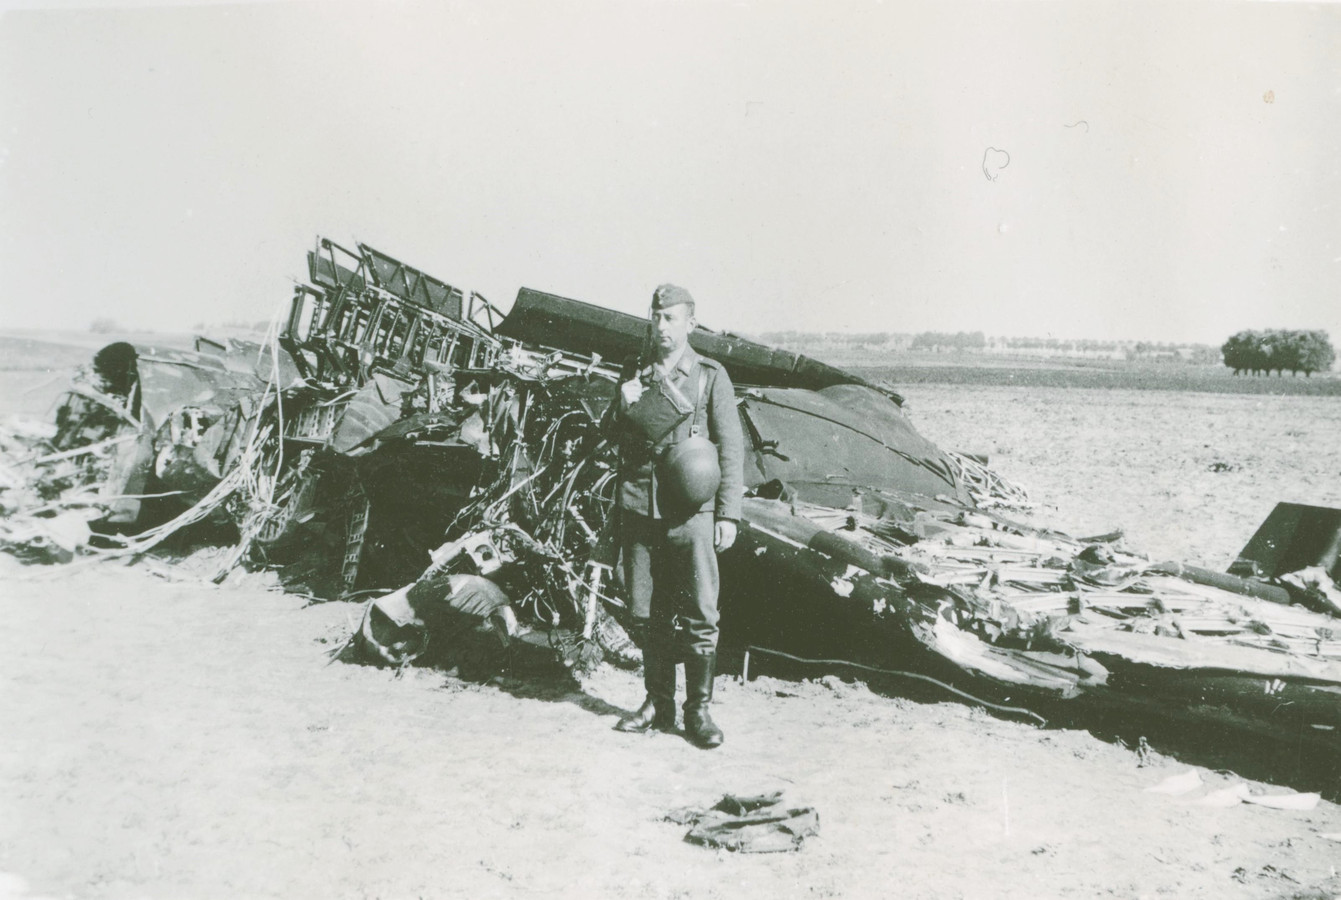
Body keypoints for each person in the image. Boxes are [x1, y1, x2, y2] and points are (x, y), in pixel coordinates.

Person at [607, 283, 743, 748]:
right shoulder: (633, 371)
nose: (661, 326)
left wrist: (728, 514)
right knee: (648, 613)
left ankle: (698, 711)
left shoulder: (709, 376)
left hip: (691, 513)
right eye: (656, 317)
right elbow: (612, 437)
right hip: (640, 508)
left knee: (701, 612)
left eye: (671, 318)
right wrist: (622, 404)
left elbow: (731, 448)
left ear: (691, 322)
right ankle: (658, 702)